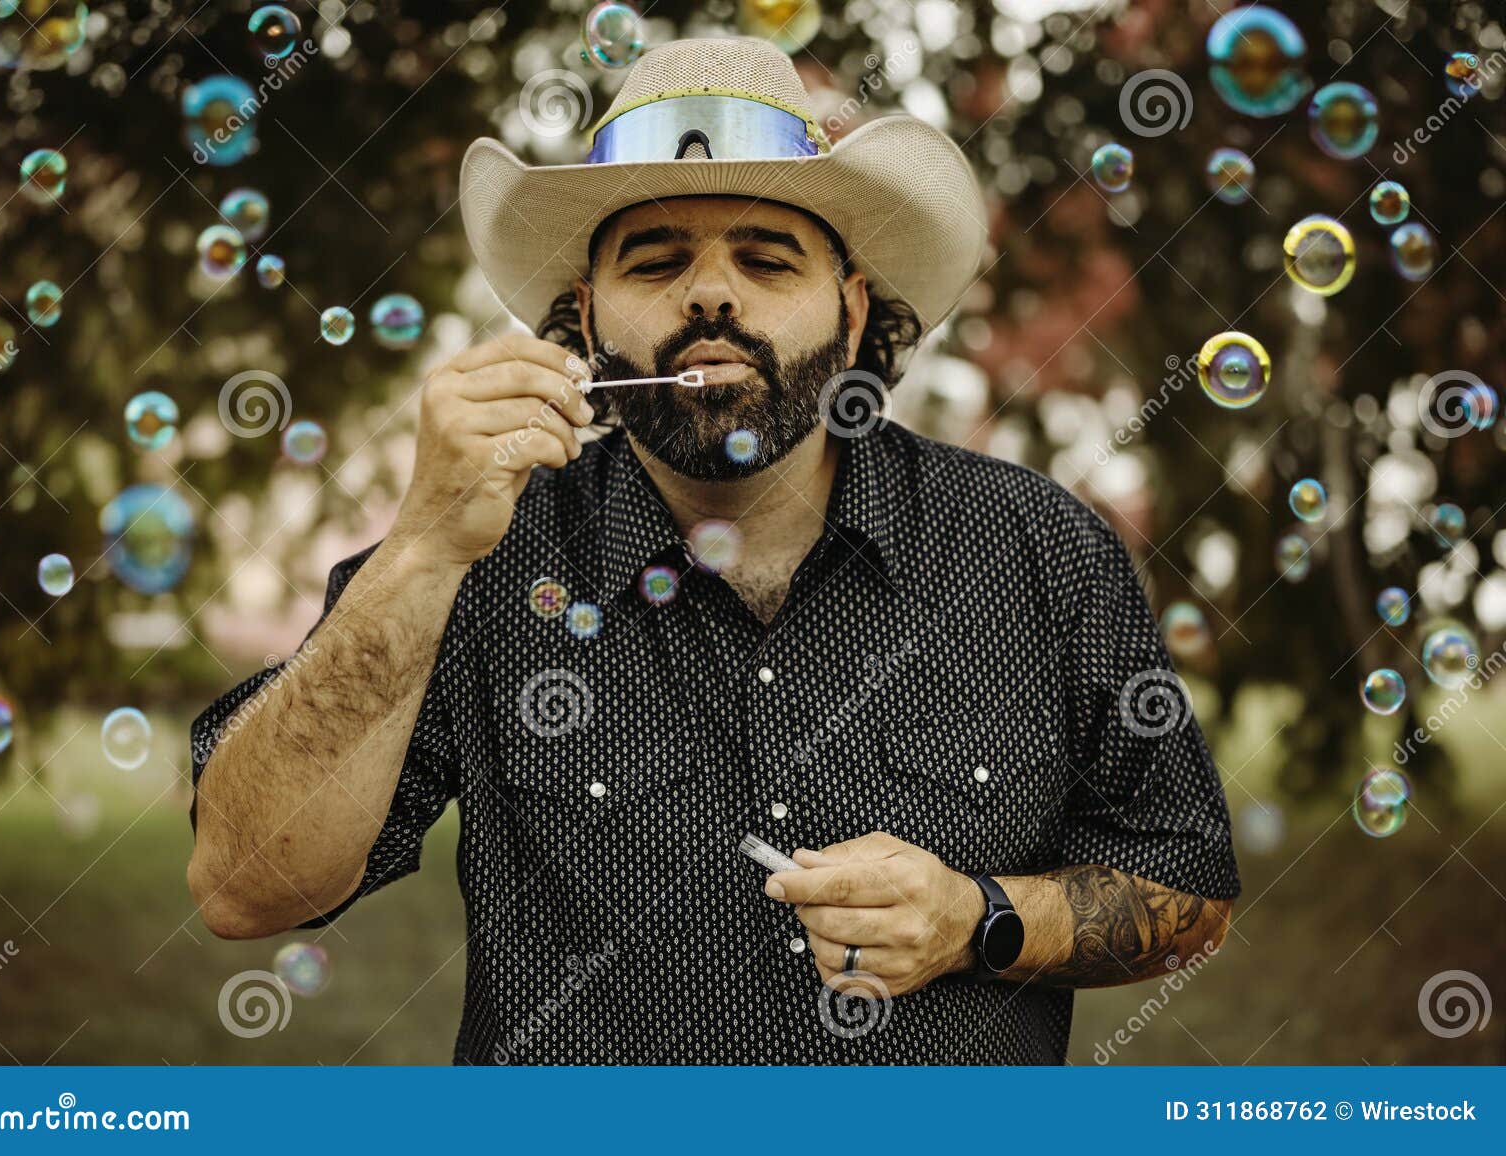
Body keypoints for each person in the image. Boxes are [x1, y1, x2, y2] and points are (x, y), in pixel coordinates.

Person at [188, 36, 1239, 1064]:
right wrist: (420, 547)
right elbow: (244, 886)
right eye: (658, 260)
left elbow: (1189, 892)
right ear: (588, 321)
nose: (711, 294)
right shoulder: (481, 557)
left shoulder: (1035, 549)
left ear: (853, 303)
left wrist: (979, 918)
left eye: (764, 256)